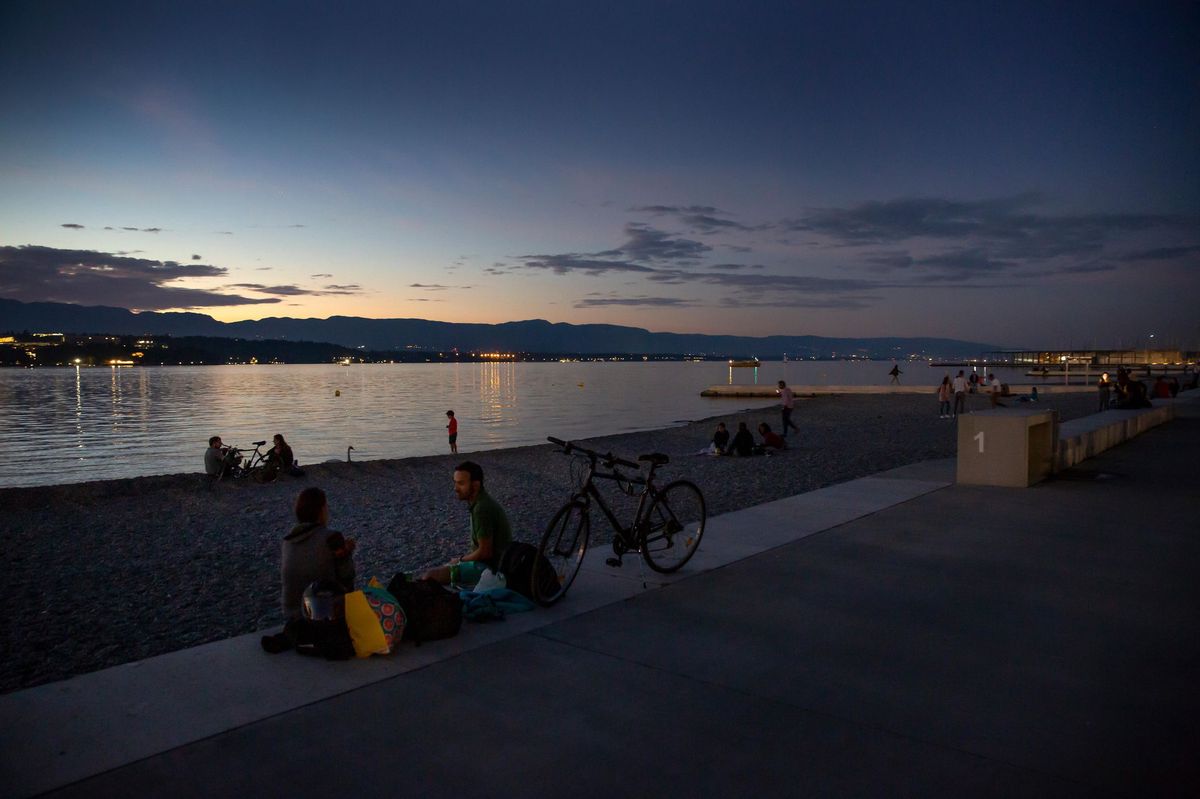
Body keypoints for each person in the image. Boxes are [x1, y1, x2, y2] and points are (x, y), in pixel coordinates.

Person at [420, 461, 512, 588]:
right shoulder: (480, 503)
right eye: (455, 482)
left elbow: (485, 552)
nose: (455, 488)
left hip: (491, 569)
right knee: (444, 568)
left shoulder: (481, 509)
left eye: (461, 483)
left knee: (429, 576)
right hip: (490, 563)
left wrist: (460, 560)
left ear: (475, 485)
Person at [280, 487, 356, 621]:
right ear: (321, 511)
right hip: (324, 616)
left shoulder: (288, 541)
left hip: (292, 616)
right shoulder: (332, 538)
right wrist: (346, 553)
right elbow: (347, 578)